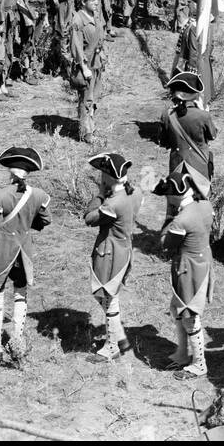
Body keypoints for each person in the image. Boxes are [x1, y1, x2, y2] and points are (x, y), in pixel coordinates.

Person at [0, 146, 52, 362]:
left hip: (1, 253)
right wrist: (25, 223)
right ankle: (17, 343)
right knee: (21, 295)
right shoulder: (38, 195)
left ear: (11, 173)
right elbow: (45, 220)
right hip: (24, 252)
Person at [84, 151, 143, 362]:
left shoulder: (112, 203)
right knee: (108, 296)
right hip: (125, 248)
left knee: (107, 298)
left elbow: (88, 218)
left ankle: (111, 346)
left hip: (109, 253)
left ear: (108, 177)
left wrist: (100, 194)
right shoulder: (135, 193)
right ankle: (120, 338)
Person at [159, 164, 214, 378]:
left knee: (189, 315)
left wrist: (169, 218)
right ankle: (182, 353)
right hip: (203, 261)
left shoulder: (181, 220)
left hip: (189, 269)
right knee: (176, 308)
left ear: (174, 195)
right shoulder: (206, 205)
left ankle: (199, 364)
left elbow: (165, 244)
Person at [159, 71, 216, 210]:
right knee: (200, 202)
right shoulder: (202, 115)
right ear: (194, 95)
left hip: (177, 163)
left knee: (177, 201)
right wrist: (204, 111)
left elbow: (163, 142)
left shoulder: (167, 115)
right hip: (199, 164)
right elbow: (212, 135)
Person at [69, 0, 106, 144]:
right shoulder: (78, 20)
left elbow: (100, 39)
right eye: (92, 0)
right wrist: (83, 67)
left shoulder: (95, 16)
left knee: (94, 97)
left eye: (97, 0)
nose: (96, 3)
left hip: (96, 62)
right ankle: (85, 132)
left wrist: (102, 53)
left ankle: (91, 125)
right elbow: (76, 46)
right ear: (83, 2)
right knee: (85, 98)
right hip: (86, 63)